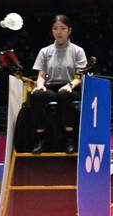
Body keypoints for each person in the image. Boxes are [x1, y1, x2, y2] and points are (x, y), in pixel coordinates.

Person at [28, 14, 87, 154]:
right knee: (36, 96)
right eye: (55, 28)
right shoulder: (45, 51)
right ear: (52, 31)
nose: (58, 32)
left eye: (62, 28)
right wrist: (40, 85)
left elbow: (79, 76)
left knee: (63, 95)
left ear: (69, 30)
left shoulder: (78, 51)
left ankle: (69, 139)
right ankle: (40, 138)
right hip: (51, 87)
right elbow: (41, 75)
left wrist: (70, 85)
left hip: (70, 87)